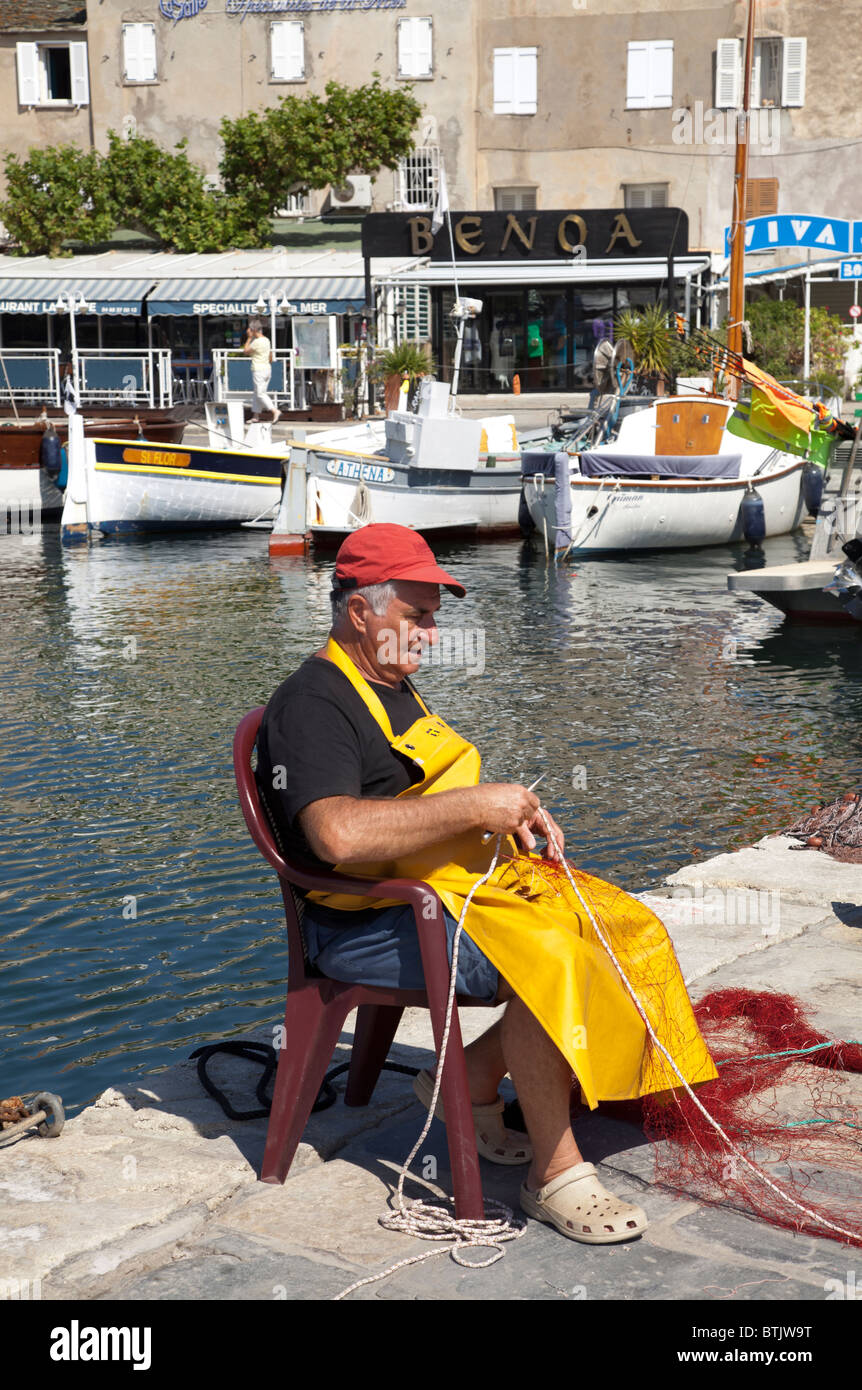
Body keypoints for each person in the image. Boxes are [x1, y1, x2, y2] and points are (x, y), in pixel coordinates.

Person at [256, 523, 717, 1245]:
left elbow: (416, 807)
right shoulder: (313, 704)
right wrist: (475, 806)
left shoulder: (392, 685)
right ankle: (554, 1176)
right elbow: (336, 837)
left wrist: (513, 819)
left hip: (440, 893)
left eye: (433, 619)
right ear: (360, 612)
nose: (431, 635)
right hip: (367, 926)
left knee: (625, 927)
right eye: (419, 617)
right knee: (555, 960)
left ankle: (465, 1081)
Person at [243, 317, 280, 425]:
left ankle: (274, 411)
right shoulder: (266, 340)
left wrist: (249, 338)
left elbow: (245, 351)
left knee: (260, 393)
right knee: (257, 393)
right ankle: (256, 415)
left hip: (258, 369)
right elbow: (270, 356)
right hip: (267, 368)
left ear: (253, 330)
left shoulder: (256, 342)